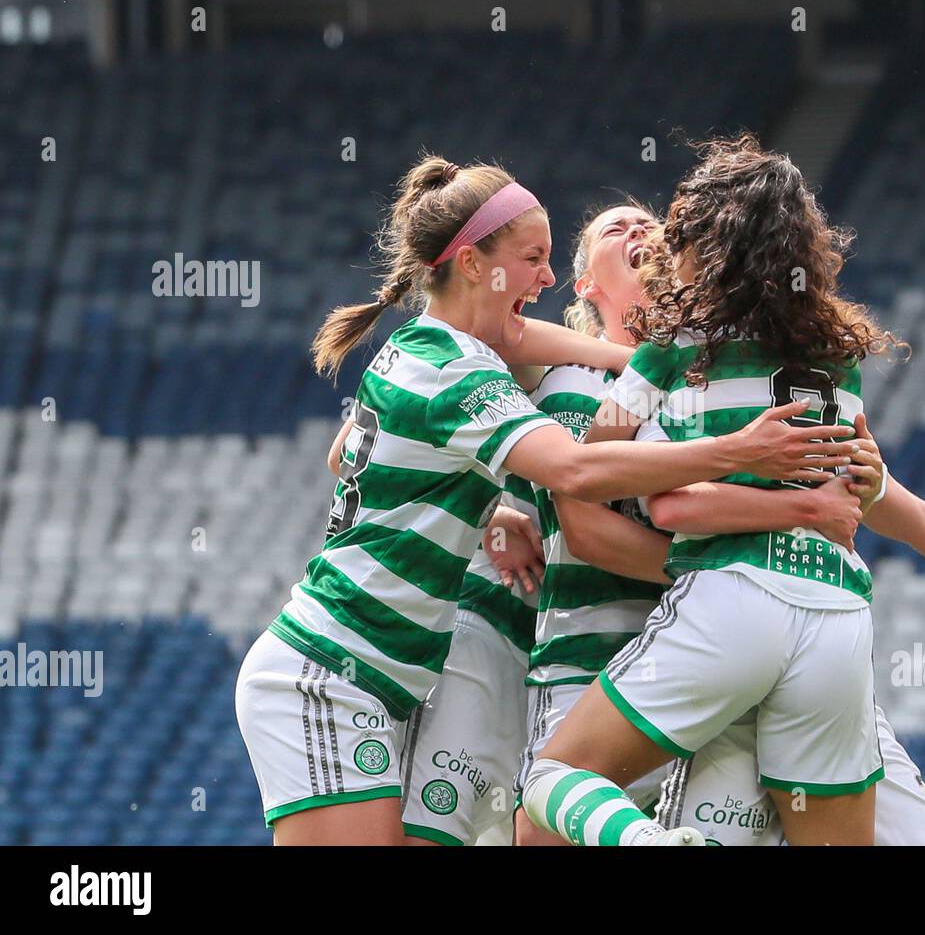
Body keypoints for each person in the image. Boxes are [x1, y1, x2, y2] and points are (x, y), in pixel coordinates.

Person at [522, 135, 925, 846]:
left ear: (707, 240)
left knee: (551, 785)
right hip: (838, 621)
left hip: (730, 605)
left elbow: (608, 474)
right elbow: (917, 520)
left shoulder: (675, 348)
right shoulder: (834, 364)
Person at [234, 152, 860, 845]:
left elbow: (350, 449)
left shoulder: (442, 349)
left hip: (384, 671)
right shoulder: (462, 372)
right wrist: (740, 452)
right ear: (474, 264)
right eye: (534, 256)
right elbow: (577, 473)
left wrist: (489, 503)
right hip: (340, 666)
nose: (547, 276)